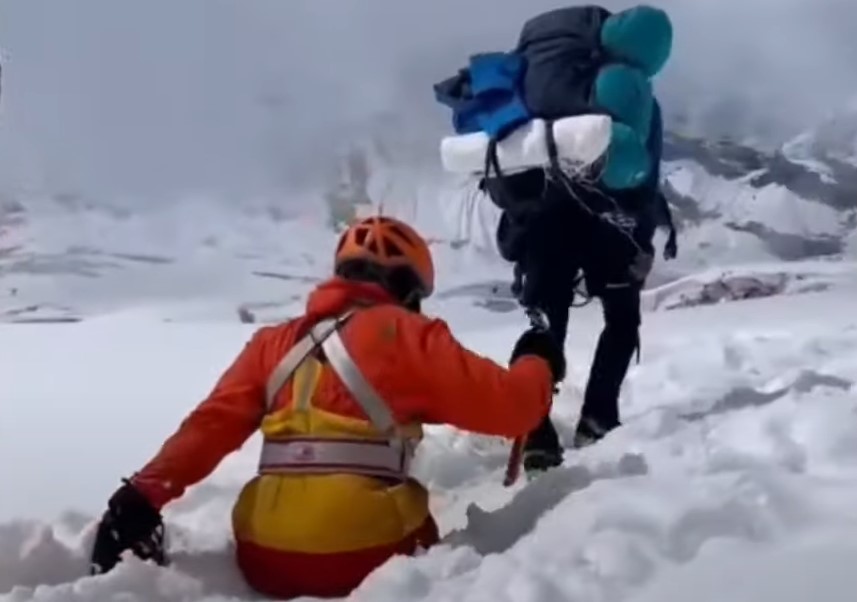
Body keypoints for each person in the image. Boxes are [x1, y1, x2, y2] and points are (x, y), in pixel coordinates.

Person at [89, 215, 565, 600]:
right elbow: (512, 409)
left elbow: (210, 426)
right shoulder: (407, 335)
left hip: (262, 557)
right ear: (409, 289)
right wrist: (537, 360)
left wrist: (142, 494)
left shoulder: (271, 344)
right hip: (371, 552)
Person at [489, 5, 679, 473]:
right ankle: (598, 416)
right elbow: (644, 175)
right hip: (608, 226)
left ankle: (535, 429)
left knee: (544, 325)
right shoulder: (635, 97)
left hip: (543, 222)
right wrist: (643, 238)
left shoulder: (537, 101)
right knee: (620, 319)